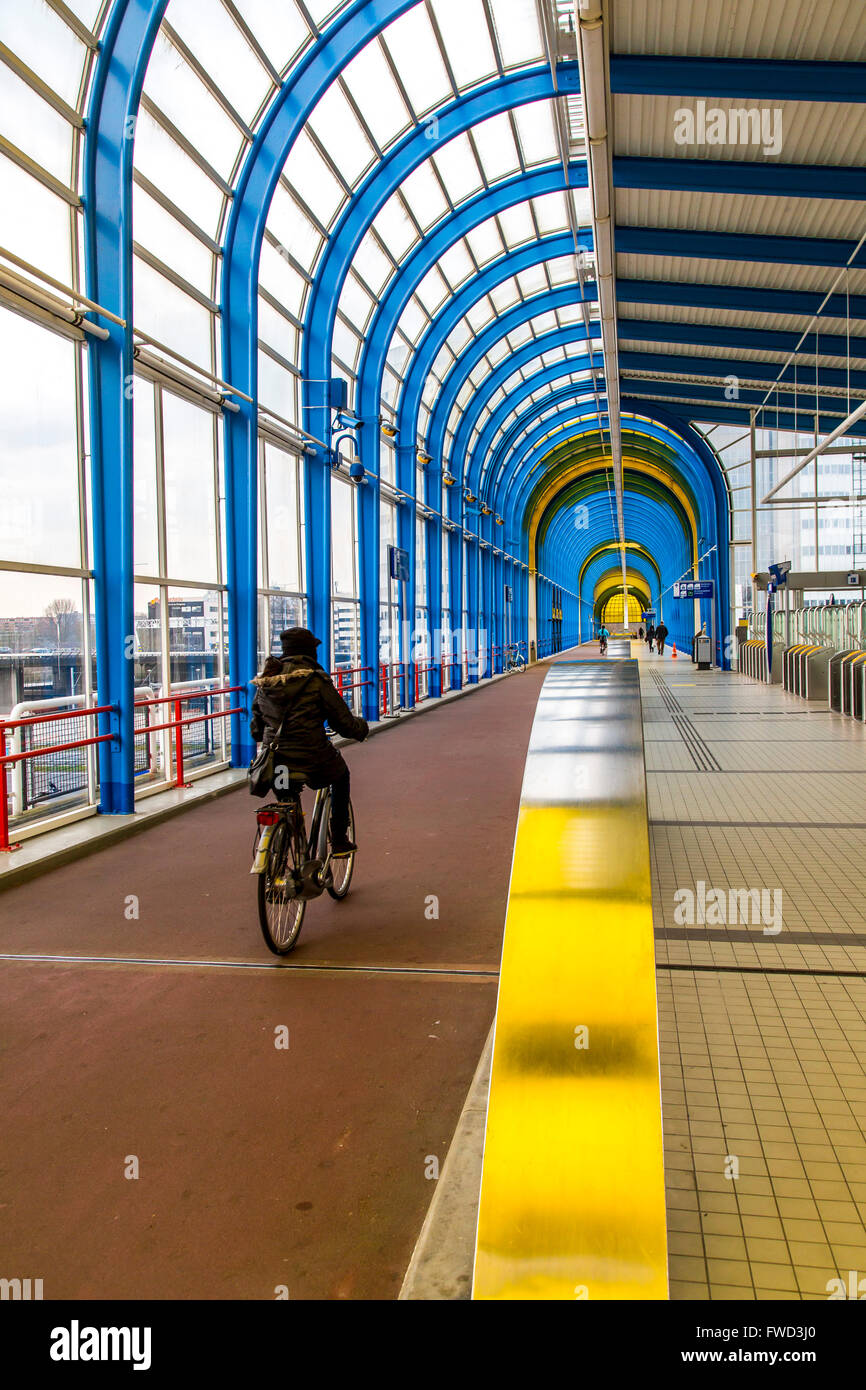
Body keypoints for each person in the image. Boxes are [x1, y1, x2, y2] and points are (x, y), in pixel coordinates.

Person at [249, 627, 368, 855]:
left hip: (277, 761)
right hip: (313, 758)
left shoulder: (267, 680)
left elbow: (256, 729)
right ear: (310, 651)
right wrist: (361, 728)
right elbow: (343, 722)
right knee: (341, 776)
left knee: (287, 799)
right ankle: (340, 839)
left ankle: (288, 846)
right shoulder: (316, 680)